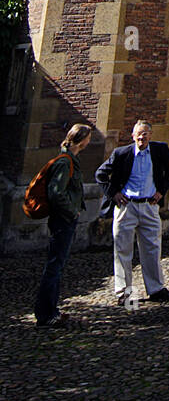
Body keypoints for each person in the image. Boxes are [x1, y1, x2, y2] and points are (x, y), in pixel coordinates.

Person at [95, 119, 169, 304]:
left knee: (152, 248)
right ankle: (124, 294)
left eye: (145, 134)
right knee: (122, 250)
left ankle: (156, 289)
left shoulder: (159, 150)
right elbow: (100, 174)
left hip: (149, 205)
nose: (142, 137)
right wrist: (114, 194)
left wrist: (161, 191)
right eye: (139, 134)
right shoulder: (121, 153)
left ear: (150, 135)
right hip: (127, 206)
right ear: (133, 137)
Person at [34, 123, 92, 327]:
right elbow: (56, 193)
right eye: (88, 138)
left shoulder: (70, 159)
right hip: (62, 220)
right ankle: (46, 314)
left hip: (65, 219)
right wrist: (72, 211)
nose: (89, 142)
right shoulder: (65, 162)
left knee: (57, 265)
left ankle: (52, 310)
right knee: (54, 267)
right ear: (82, 139)